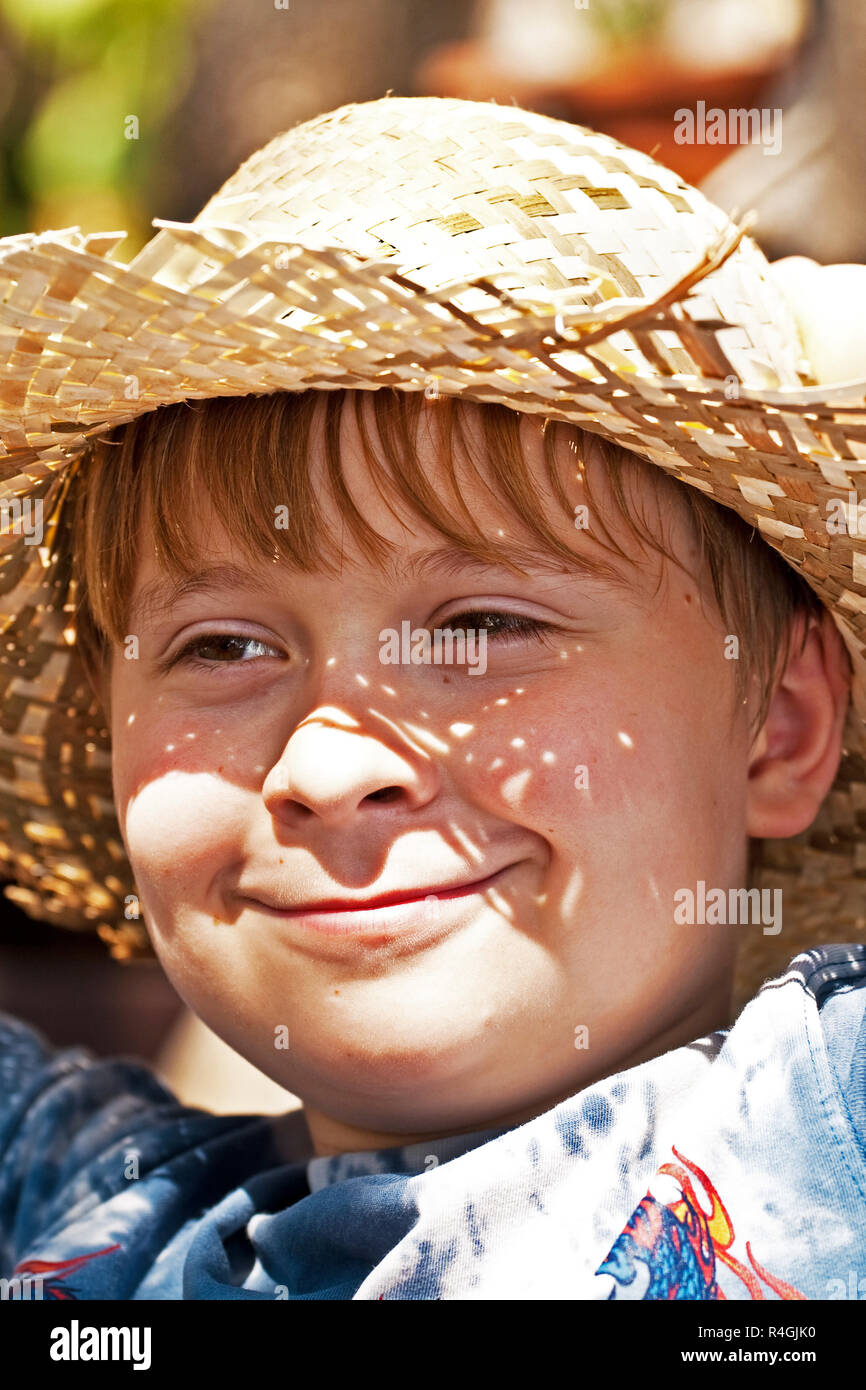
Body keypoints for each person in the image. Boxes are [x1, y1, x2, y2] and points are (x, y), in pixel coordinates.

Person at [0, 96, 864, 1301]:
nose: (328, 766)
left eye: (483, 627)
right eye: (222, 646)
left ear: (779, 723)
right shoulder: (91, 1213)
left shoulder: (820, 1132)